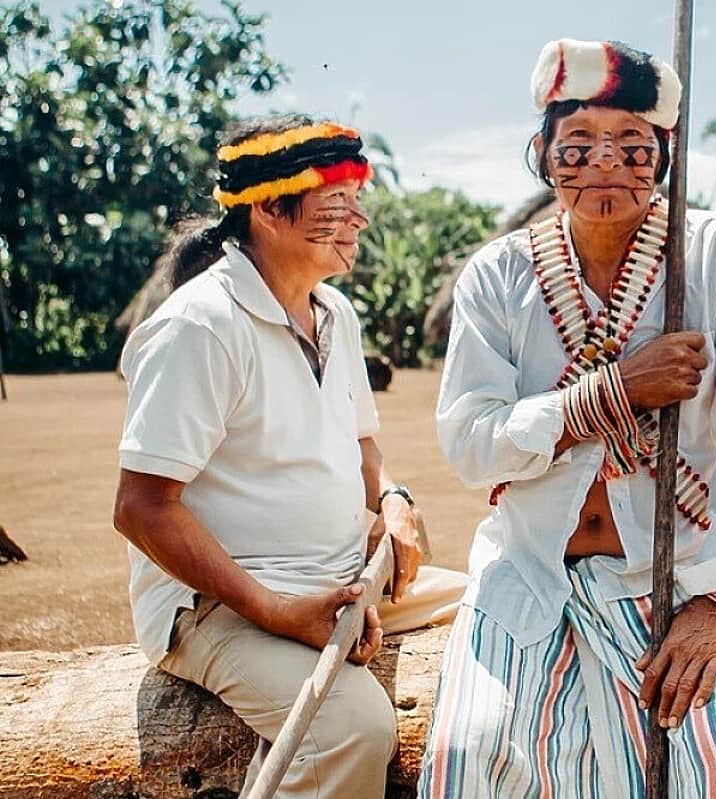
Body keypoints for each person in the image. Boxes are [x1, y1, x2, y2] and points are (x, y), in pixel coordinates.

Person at [420, 39, 716, 798]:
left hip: (676, 576)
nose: (605, 162)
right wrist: (613, 391)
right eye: (579, 142)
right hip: (528, 571)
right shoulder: (499, 274)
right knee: (469, 759)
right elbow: (471, 446)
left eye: (631, 142)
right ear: (543, 155)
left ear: (665, 154)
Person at [113, 115, 465, 799]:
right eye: (337, 204)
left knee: (501, 608)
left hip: (344, 579)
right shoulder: (199, 326)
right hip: (222, 605)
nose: (359, 220)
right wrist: (275, 610)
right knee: (350, 728)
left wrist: (393, 500)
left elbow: (362, 445)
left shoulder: (334, 313)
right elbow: (141, 507)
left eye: (357, 202)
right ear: (270, 210)